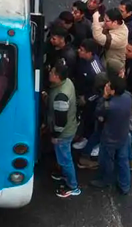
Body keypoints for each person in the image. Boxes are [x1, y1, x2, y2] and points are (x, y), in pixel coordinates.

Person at [92, 76, 132, 195]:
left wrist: (104, 97)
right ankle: (125, 186)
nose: (107, 86)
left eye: (109, 85)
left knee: (107, 160)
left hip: (109, 138)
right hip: (123, 134)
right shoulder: (128, 97)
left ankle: (105, 180)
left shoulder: (108, 106)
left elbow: (98, 112)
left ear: (113, 91)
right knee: (123, 161)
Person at [47, 64, 82, 198]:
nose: (49, 73)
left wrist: (55, 135)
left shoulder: (61, 95)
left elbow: (60, 121)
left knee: (65, 160)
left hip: (63, 133)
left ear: (57, 77)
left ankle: (73, 186)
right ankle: (64, 174)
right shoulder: (67, 82)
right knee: (63, 157)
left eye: (52, 72)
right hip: (71, 127)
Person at [92, 6, 128, 73]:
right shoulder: (117, 24)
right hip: (105, 56)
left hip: (113, 67)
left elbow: (98, 37)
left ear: (115, 22)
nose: (104, 22)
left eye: (107, 21)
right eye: (104, 19)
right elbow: (97, 26)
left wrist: (95, 19)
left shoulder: (120, 37)